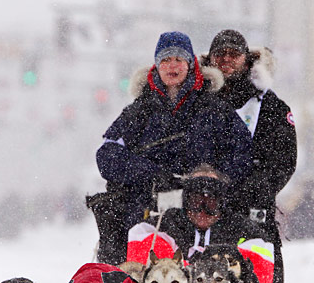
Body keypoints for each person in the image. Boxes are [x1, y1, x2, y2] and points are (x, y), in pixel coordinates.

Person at [92, 31, 252, 265]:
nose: (172, 66)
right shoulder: (140, 111)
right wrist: (151, 174)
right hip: (147, 210)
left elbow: (243, 151)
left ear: (191, 64)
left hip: (204, 210)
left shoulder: (214, 108)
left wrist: (213, 179)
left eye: (178, 59)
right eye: (165, 60)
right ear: (156, 66)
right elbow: (107, 155)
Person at [201, 29, 297, 283]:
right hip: (201, 207)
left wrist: (256, 186)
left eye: (234, 54)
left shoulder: (271, 106)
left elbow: (284, 160)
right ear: (209, 60)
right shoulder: (196, 101)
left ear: (247, 59)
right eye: (220, 54)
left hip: (251, 208)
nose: (227, 60)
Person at [126, 164, 289, 283]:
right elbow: (149, 276)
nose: (202, 211)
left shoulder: (246, 232)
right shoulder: (161, 227)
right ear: (186, 200)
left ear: (221, 203)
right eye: (196, 202)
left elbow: (256, 282)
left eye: (211, 203)